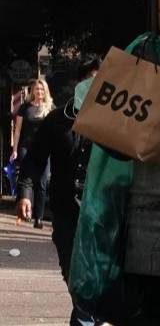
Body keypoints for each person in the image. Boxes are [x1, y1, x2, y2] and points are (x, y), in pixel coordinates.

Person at [20, 67, 104, 326]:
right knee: (75, 279)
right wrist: (26, 194)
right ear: (78, 85)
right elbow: (34, 159)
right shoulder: (56, 120)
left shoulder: (112, 122)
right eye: (88, 80)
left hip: (101, 217)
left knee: (96, 286)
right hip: (67, 213)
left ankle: (89, 318)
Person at [12, 75, 52, 227]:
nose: (39, 91)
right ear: (33, 91)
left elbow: (54, 132)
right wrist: (15, 149)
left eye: (42, 88)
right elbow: (17, 130)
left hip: (44, 150)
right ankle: (26, 211)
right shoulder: (25, 107)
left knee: (41, 183)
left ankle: (39, 218)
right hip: (26, 148)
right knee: (26, 181)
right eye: (37, 88)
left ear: (45, 91)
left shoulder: (50, 108)